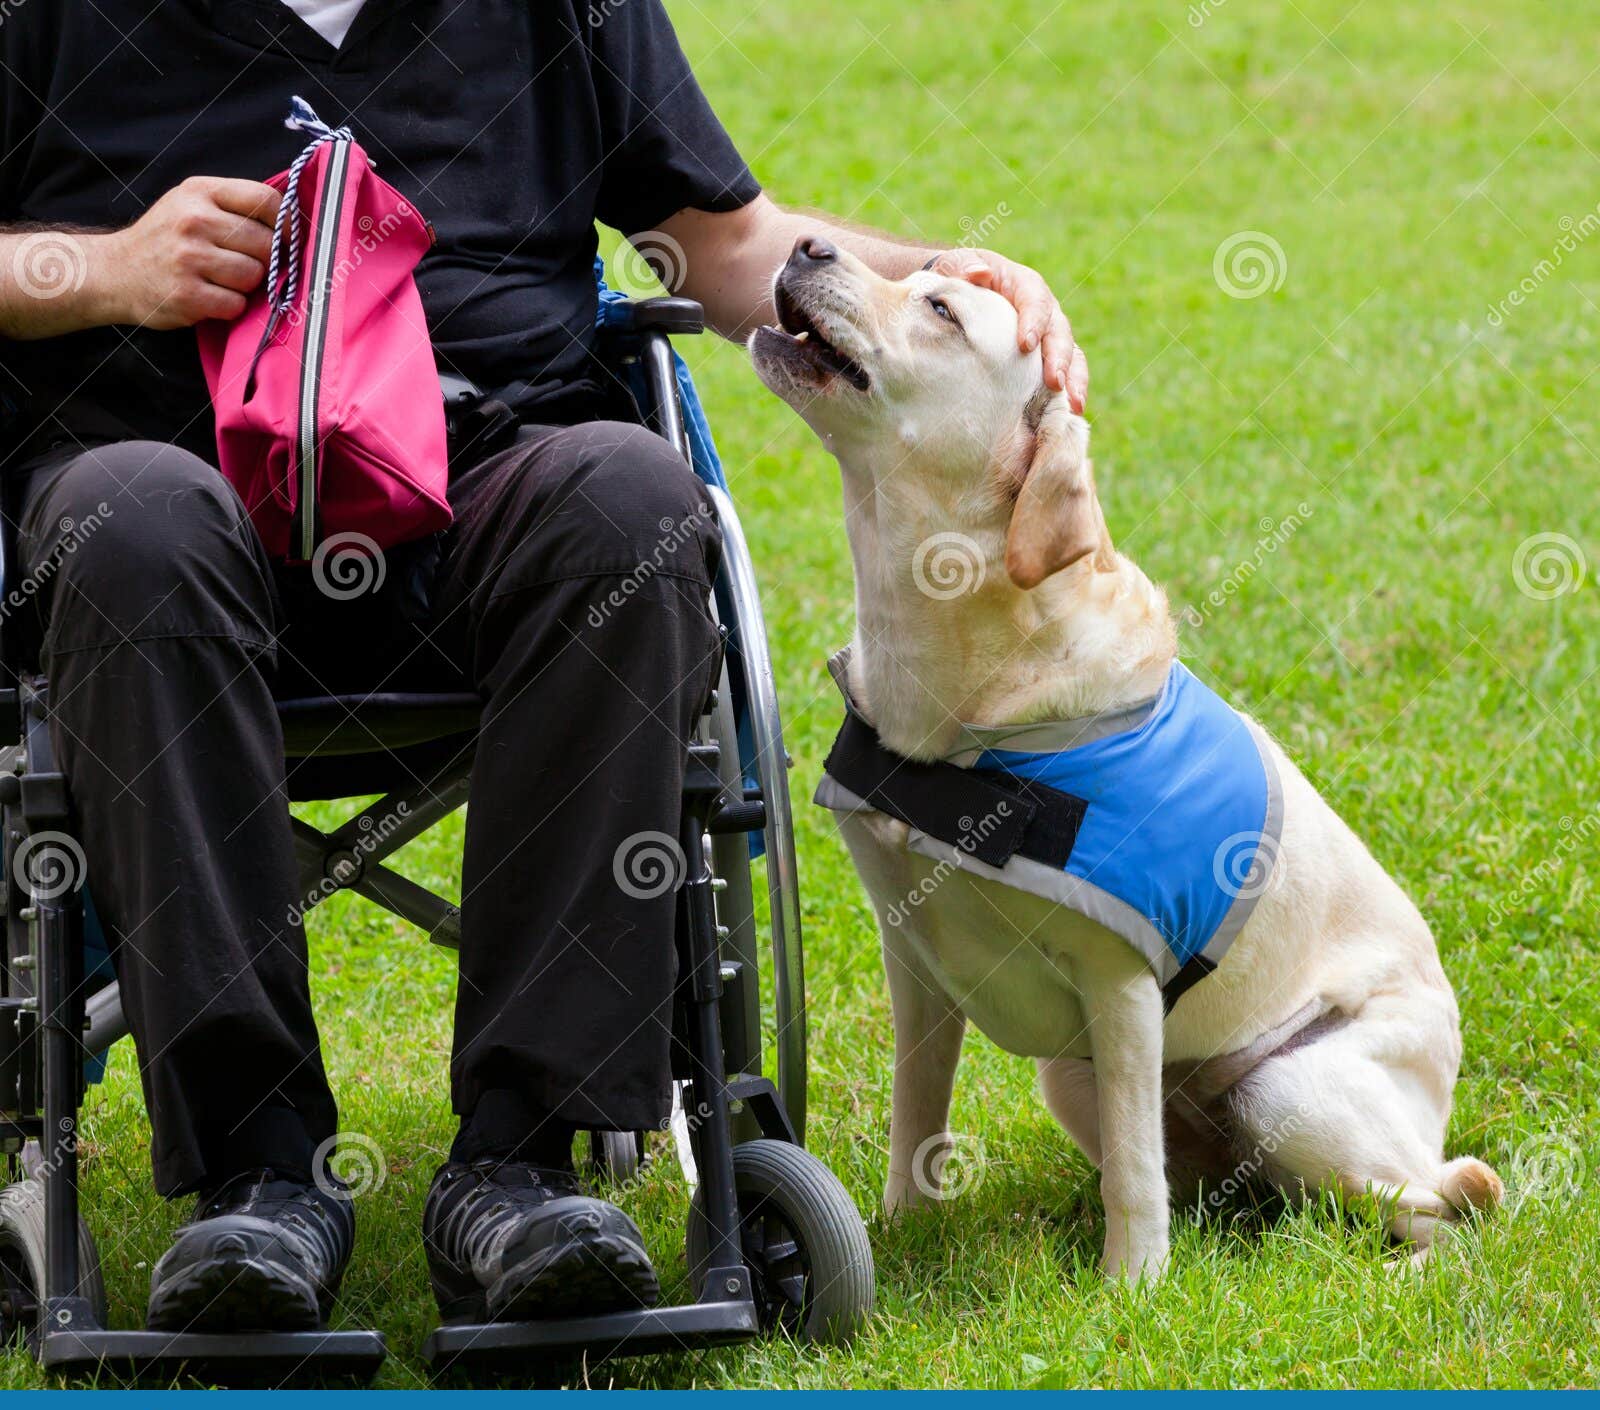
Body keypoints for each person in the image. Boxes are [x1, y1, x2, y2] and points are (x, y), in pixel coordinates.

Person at [0, 0, 1087, 1334]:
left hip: (486, 497)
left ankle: (518, 1171)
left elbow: (728, 248)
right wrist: (105, 271)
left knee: (628, 497)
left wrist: (963, 274)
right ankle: (257, 1182)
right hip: (173, 527)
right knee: (136, 524)